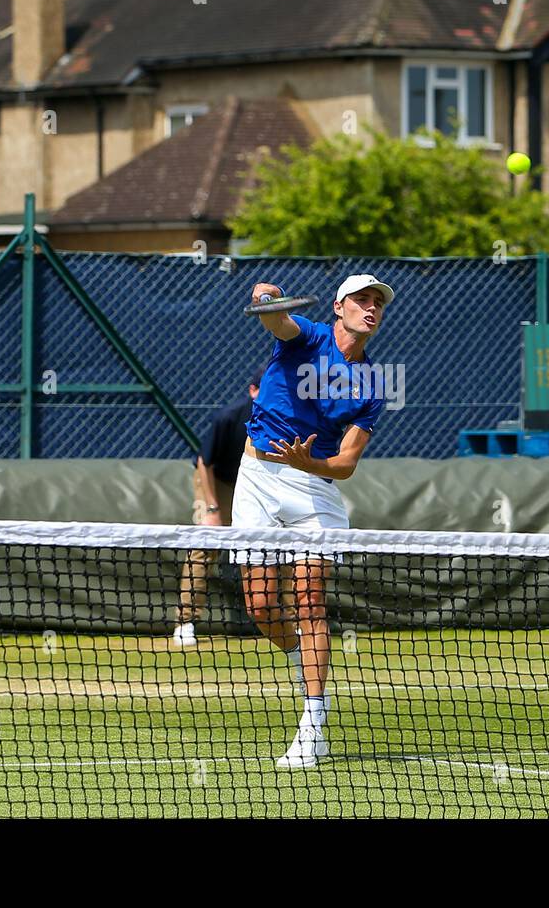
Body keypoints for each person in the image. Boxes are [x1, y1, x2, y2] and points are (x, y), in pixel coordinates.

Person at [234, 273, 394, 768]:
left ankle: (313, 722)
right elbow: (276, 317)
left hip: (315, 489)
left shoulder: (374, 384)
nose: (371, 309)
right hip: (256, 475)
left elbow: (346, 464)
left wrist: (311, 465)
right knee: (262, 607)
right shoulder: (308, 335)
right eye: (362, 300)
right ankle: (306, 664)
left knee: (308, 600)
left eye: (378, 304)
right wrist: (264, 295)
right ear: (340, 307)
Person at [172, 366, 266, 646]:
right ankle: (185, 621)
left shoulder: (284, 415)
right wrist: (212, 508)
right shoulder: (228, 417)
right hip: (218, 481)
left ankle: (285, 618)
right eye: (266, 388)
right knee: (204, 546)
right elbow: (204, 462)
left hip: (256, 482)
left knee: (278, 546)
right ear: (253, 391)